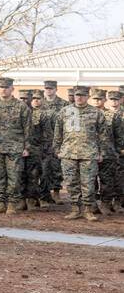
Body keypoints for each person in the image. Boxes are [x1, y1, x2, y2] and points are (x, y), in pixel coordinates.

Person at [53, 86, 106, 221]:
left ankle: (88, 210)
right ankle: (75, 209)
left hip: (89, 153)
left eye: (82, 95)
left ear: (87, 97)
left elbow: (103, 135)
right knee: (71, 182)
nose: (79, 98)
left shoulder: (96, 113)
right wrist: (57, 149)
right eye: (77, 95)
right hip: (68, 152)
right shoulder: (64, 111)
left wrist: (101, 152)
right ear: (74, 96)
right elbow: (58, 132)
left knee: (88, 183)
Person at [0, 77, 32, 215]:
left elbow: (27, 128)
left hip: (14, 148)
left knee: (14, 177)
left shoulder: (21, 106)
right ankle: (1, 203)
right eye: (1, 87)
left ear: (12, 89)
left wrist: (26, 147)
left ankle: (11, 203)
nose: (3, 90)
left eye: (6, 87)